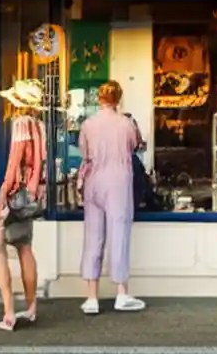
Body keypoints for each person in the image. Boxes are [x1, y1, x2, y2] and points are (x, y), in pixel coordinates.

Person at [78, 80, 145, 314]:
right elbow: (135, 146)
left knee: (93, 236)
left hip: (93, 181)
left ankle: (92, 297)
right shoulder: (127, 124)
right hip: (118, 181)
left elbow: (84, 154)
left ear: (99, 98)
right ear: (119, 99)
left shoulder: (88, 124)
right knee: (119, 233)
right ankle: (121, 293)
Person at [0, 79, 47, 331]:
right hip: (32, 196)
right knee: (24, 248)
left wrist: (1, 198)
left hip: (16, 194)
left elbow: (14, 165)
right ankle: (31, 308)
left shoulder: (21, 124)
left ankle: (9, 313)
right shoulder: (40, 125)